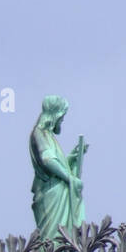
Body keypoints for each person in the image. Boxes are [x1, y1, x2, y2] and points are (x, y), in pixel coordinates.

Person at [29, 94, 86, 239]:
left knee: (61, 240)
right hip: (52, 195)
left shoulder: (47, 135)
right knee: (52, 239)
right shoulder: (40, 133)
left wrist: (71, 159)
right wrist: (69, 178)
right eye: (62, 116)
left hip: (56, 192)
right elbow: (48, 160)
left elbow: (54, 162)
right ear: (55, 115)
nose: (63, 119)